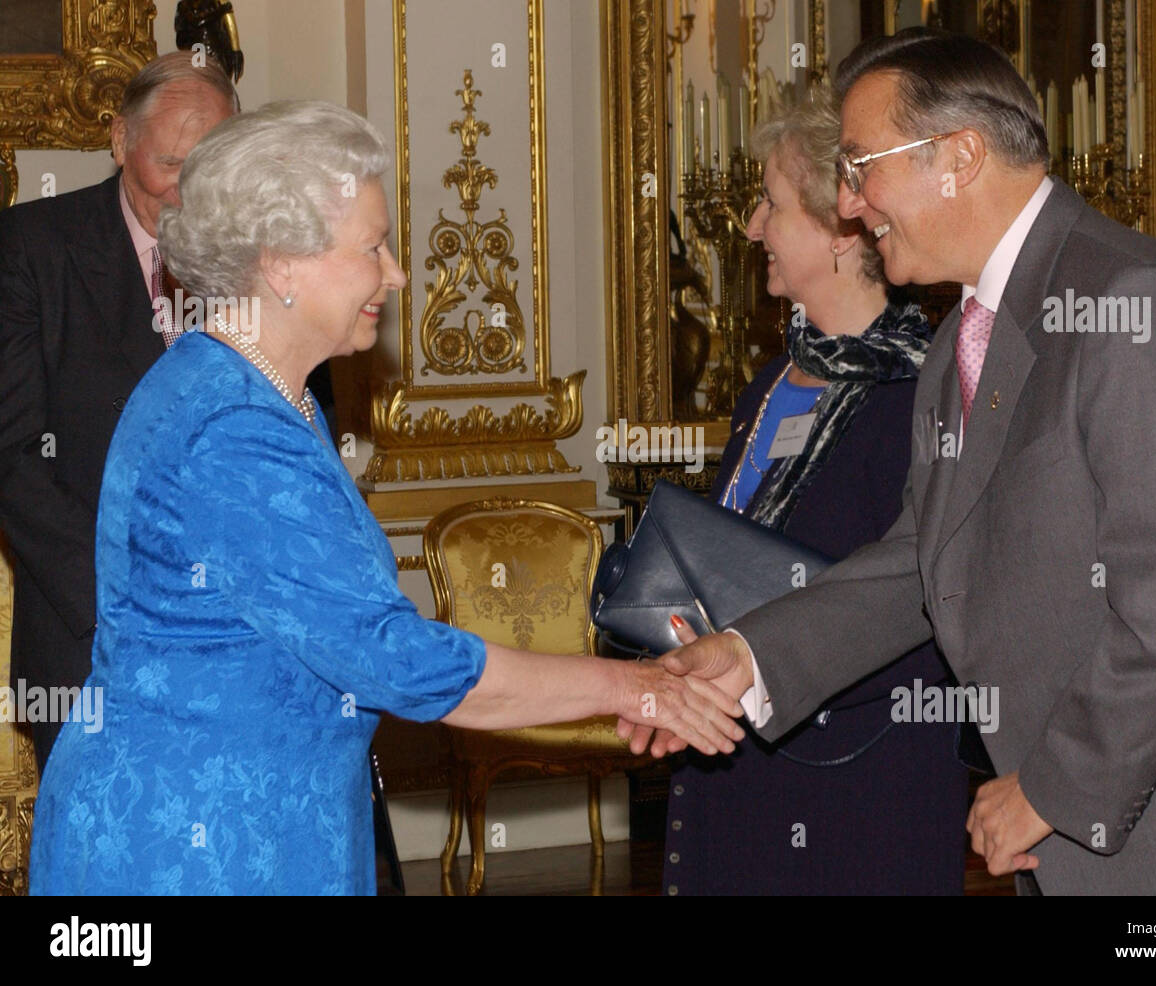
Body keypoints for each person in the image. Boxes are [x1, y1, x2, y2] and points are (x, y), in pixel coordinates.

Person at [625, 28, 1156, 895]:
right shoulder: (959, 344)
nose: (852, 202)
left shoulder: (1133, 300)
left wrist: (1054, 786)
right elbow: (921, 560)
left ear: (960, 157)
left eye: (863, 165)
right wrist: (749, 657)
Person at [29, 100, 743, 896]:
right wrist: (633, 684)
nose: (397, 274)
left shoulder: (259, 394)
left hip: (252, 823)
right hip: (195, 845)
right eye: (373, 247)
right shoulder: (232, 431)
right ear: (283, 262)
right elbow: (399, 661)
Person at [662, 87, 966, 896]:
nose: (752, 225)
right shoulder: (767, 384)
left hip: (860, 801)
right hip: (734, 772)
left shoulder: (919, 396)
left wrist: (761, 652)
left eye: (770, 204)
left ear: (840, 231)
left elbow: (923, 612)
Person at [0, 52, 238, 773]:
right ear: (117, 141)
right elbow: (11, 456)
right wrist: (134, 593)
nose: (191, 191)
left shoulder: (260, 257)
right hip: (91, 642)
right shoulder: (31, 248)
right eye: (170, 164)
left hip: (234, 637)